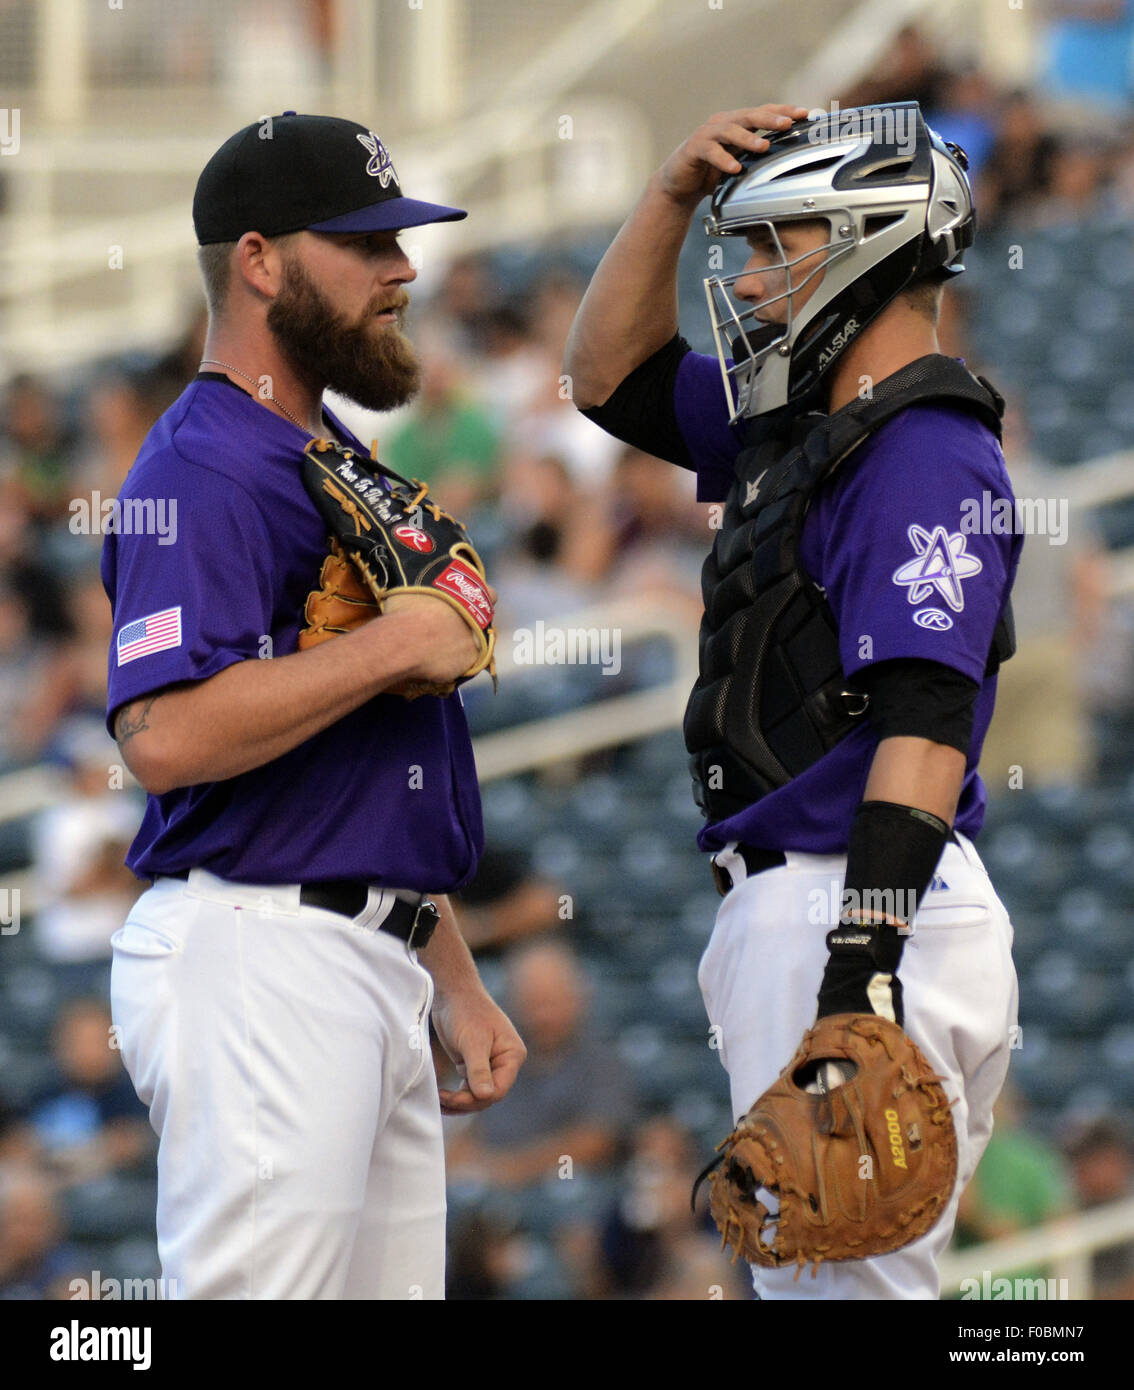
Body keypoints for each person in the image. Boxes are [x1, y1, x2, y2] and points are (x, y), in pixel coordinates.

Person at [565, 101, 1020, 1300]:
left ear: (868, 245)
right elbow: (606, 376)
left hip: (855, 900)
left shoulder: (922, 443)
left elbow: (924, 723)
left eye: (779, 244)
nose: (754, 276)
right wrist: (669, 193)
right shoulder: (811, 420)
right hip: (833, 906)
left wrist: (857, 965)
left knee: (842, 1292)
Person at [102, 112, 525, 1301]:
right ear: (259, 260)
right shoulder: (203, 466)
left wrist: (451, 971)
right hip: (262, 953)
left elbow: (358, 760)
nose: (402, 270)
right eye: (365, 241)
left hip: (358, 948)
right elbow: (166, 736)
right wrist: (394, 644)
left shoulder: (325, 448)